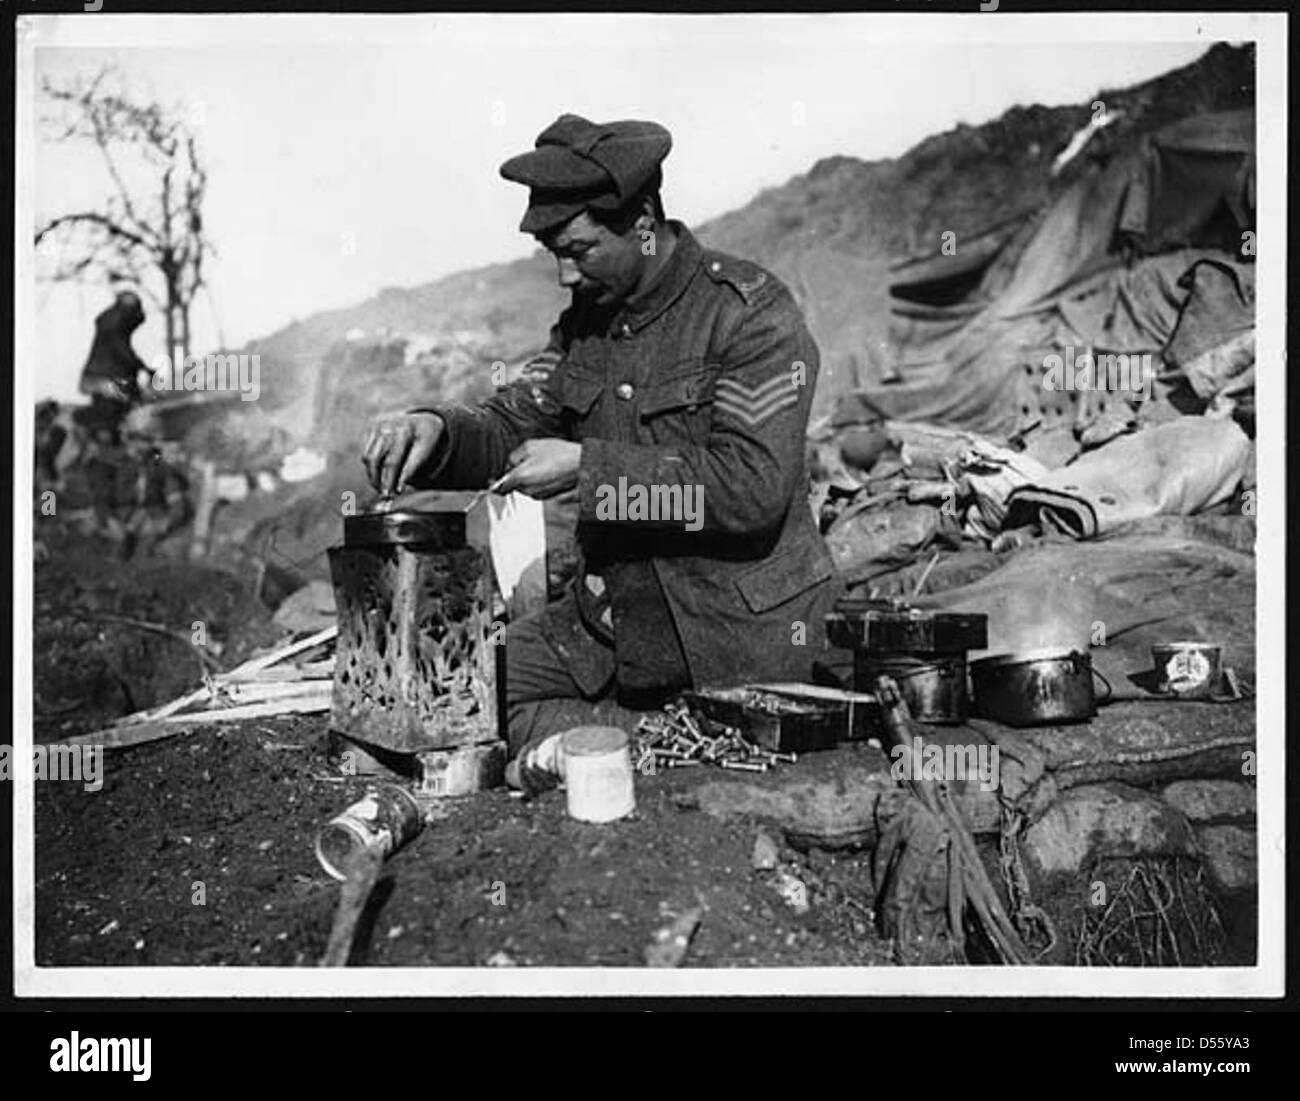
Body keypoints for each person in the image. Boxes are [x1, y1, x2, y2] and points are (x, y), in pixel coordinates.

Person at [362, 114, 843, 789]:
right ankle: (650, 738)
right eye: (553, 252)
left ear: (642, 220)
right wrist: (437, 431)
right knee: (448, 688)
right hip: (614, 625)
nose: (564, 274)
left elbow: (751, 489)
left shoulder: (748, 314)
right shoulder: (587, 325)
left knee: (495, 722)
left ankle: (673, 740)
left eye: (580, 249)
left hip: (731, 635)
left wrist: (589, 474)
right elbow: (512, 425)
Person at [78, 289, 154, 442]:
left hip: (99, 376)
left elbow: (122, 349)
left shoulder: (110, 321)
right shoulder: (115, 324)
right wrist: (142, 367)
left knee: (116, 409)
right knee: (125, 407)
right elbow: (122, 350)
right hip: (108, 376)